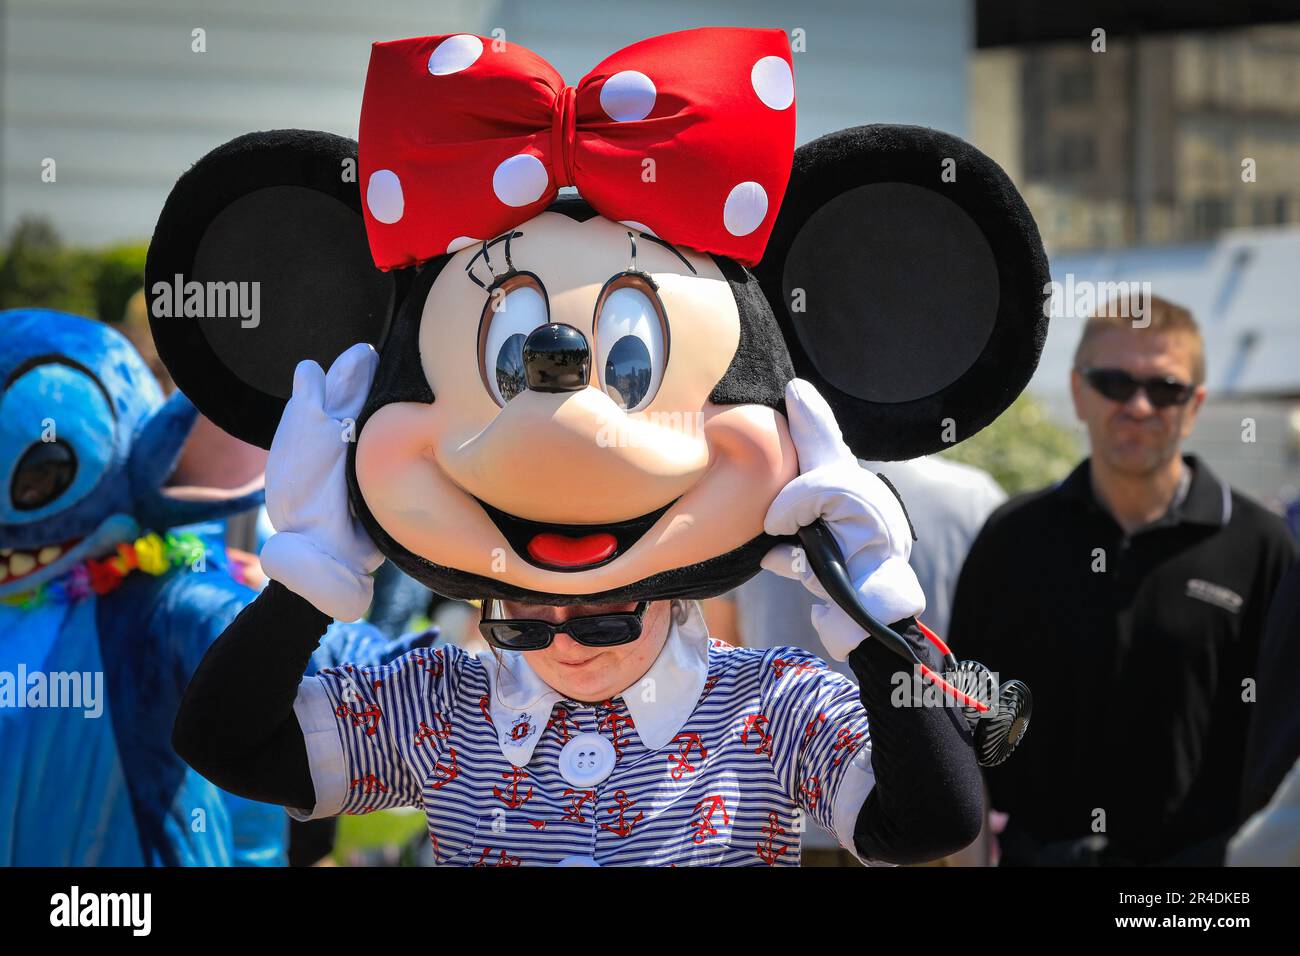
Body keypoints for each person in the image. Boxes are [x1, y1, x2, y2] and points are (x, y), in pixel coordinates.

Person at [949, 295, 1298, 865]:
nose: (1139, 405)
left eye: (1165, 388)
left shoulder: (1262, 548)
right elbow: (962, 724)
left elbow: (1287, 749)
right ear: (1080, 391)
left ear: (1194, 405)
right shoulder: (1011, 538)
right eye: (1114, 382)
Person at [707, 455, 1007, 864]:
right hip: (933, 813)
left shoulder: (737, 501)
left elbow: (721, 671)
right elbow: (984, 689)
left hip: (780, 821)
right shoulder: (974, 500)